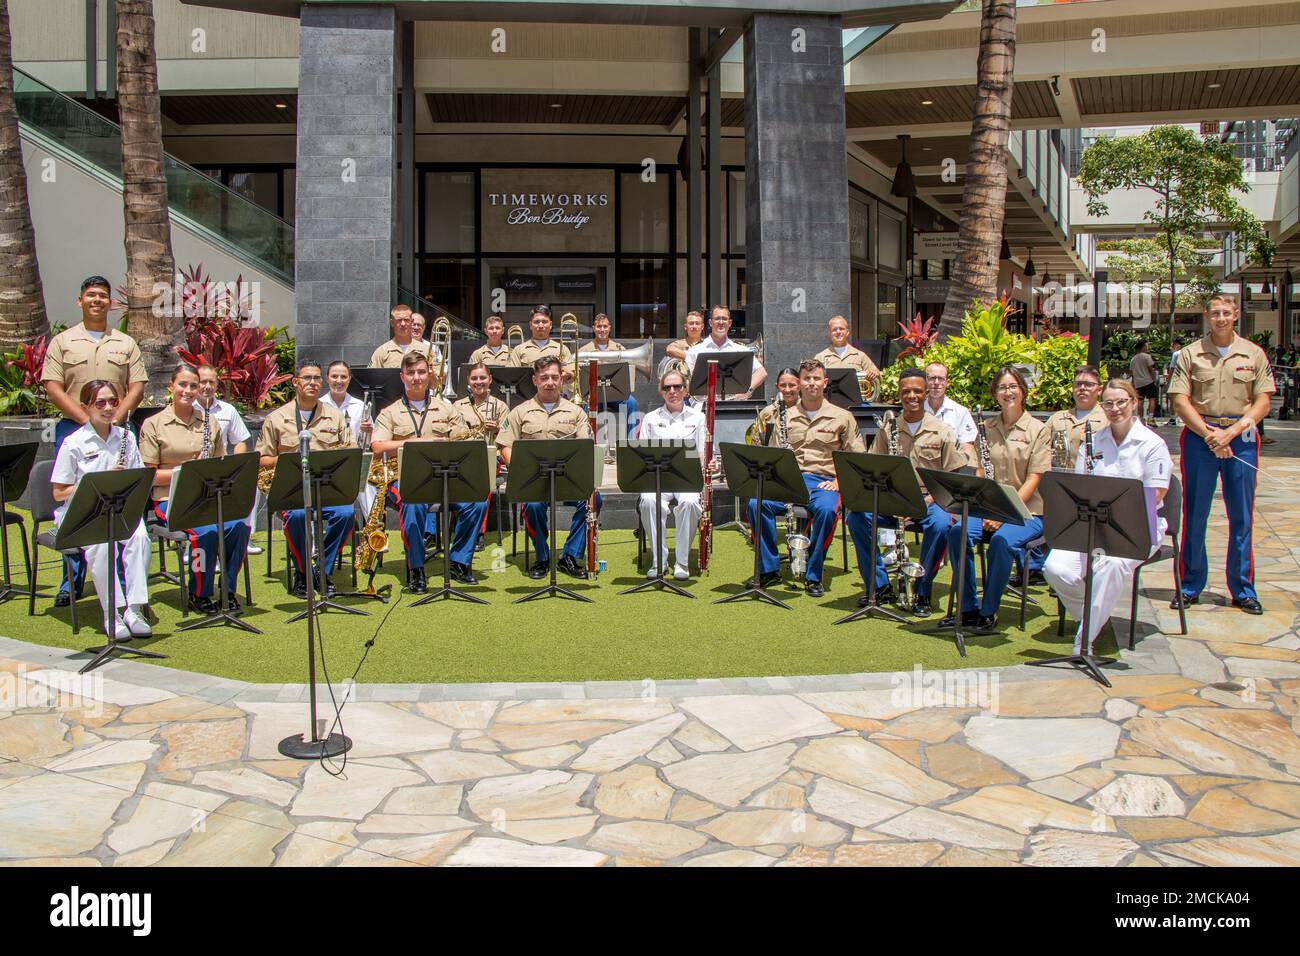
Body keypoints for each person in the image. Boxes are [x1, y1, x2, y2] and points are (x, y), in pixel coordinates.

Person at [41, 276, 149, 606]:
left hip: (115, 426)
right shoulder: (62, 342)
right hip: (74, 426)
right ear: (80, 301)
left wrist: (115, 416)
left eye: (103, 295)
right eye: (91, 295)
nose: (97, 300)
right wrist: (87, 416)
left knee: (118, 501)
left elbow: (136, 386)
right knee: (74, 504)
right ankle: (70, 582)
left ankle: (120, 583)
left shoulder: (125, 343)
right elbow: (52, 386)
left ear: (110, 303)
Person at [1044, 379, 1172, 654]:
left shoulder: (1153, 444)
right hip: (1093, 524)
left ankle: (1084, 642)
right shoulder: (1095, 440)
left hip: (1136, 527)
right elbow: (1080, 486)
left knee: (1111, 565)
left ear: (1134, 402)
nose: (1115, 409)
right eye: (1109, 403)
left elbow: (1157, 494)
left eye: (1121, 402)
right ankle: (1091, 620)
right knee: (1055, 568)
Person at [1167, 293, 1275, 615]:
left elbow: (1263, 401)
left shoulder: (1253, 354)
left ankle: (1242, 589)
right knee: (1196, 514)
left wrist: (1232, 432)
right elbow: (1180, 400)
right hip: (1201, 440)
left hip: (1239, 439)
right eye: (1215, 313)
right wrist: (1211, 435)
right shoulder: (1190, 355)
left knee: (1241, 517)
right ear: (1206, 316)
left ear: (1236, 314)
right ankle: (1190, 585)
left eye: (1226, 312)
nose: (1221, 318)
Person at [847, 369, 966, 616]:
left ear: (926, 393)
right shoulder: (888, 428)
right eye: (906, 392)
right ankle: (878, 585)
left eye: (917, 391)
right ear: (900, 394)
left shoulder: (942, 430)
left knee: (943, 524)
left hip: (929, 499)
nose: (912, 396)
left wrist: (928, 500)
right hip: (893, 498)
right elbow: (872, 466)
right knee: (857, 516)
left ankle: (922, 589)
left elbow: (952, 477)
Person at [942, 366, 1050, 631]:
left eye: (1013, 386)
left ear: (1023, 391)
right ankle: (968, 607)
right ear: (995, 394)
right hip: (988, 508)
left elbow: (1034, 478)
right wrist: (988, 509)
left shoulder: (1039, 429)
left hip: (1028, 511)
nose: (1008, 392)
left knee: (1002, 541)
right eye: (1002, 387)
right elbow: (980, 472)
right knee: (957, 534)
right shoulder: (987, 428)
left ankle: (988, 611)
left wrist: (1003, 514)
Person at [140, 365, 250, 614]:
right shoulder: (153, 424)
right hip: (170, 498)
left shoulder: (210, 422)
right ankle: (199, 593)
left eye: (194, 385)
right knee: (207, 531)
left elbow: (221, 464)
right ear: (171, 386)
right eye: (183, 384)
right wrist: (188, 470)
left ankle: (228, 589)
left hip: (208, 497)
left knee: (238, 527)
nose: (188, 390)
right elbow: (150, 476)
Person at [370, 352, 484, 592]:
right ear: (402, 377)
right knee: (412, 503)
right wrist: (416, 442)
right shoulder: (389, 412)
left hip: (445, 477)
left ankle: (459, 561)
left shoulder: (447, 409)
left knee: (478, 501)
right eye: (411, 373)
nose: (416, 378)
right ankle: (416, 568)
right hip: (405, 479)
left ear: (429, 374)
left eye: (421, 372)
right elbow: (378, 447)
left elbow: (463, 440)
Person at [748, 359, 862, 597]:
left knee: (827, 511)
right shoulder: (783, 416)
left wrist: (839, 482)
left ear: (825, 382)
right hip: (790, 479)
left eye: (816, 378)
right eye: (807, 379)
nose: (812, 383)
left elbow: (856, 458)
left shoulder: (843, 417)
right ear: (800, 383)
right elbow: (776, 455)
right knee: (756, 503)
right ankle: (769, 569)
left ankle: (814, 572)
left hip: (824, 481)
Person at [50, 380, 151, 641]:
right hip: (84, 514)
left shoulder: (126, 437)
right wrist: (96, 481)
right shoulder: (73, 443)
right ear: (86, 406)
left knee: (139, 537)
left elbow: (139, 478)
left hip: (118, 509)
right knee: (102, 546)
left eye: (113, 402)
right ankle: (112, 614)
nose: (108, 408)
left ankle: (134, 609)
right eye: (101, 403)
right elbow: (59, 492)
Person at [256, 360, 356, 598]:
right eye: (308, 378)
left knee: (346, 514)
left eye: (317, 378)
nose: (313, 383)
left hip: (328, 489)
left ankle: (322, 568)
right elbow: (262, 459)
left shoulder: (335, 416)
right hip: (292, 491)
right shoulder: (276, 418)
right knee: (299, 515)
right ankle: (303, 573)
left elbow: (350, 452)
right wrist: (290, 461)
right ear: (296, 382)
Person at [496, 356, 598, 580]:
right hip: (534, 481)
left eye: (554, 377)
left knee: (593, 499)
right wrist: (521, 470)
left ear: (562, 378)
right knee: (532, 506)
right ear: (535, 380)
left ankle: (570, 556)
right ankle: (542, 557)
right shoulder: (520, 412)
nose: (549, 382)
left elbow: (585, 447)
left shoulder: (576, 412)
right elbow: (505, 446)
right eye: (544, 378)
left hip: (567, 479)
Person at [636, 366, 706, 580]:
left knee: (690, 503)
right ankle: (659, 560)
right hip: (658, 478)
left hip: (687, 478)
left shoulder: (699, 418)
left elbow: (702, 454)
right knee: (648, 501)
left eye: (677, 386)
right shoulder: (650, 418)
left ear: (685, 390)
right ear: (661, 391)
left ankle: (682, 563)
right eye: (667, 387)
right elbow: (641, 453)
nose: (672, 391)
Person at [194, 362, 260, 554]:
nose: (207, 386)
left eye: (211, 382)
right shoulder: (187, 408)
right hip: (195, 471)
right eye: (202, 382)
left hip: (221, 470)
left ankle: (245, 539)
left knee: (251, 485)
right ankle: (194, 545)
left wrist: (236, 466)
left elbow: (241, 440)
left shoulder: (227, 410)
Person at [453, 362, 507, 552]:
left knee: (482, 480)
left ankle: (477, 532)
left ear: (490, 380)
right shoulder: (457, 405)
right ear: (468, 381)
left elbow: (508, 436)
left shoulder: (500, 406)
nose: (479, 382)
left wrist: (497, 429)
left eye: (482, 378)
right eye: (474, 378)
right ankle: (432, 534)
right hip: (463, 457)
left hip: (491, 455)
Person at [321, 360, 376, 519]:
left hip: (354, 464)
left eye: (343, 377)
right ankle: (311, 542)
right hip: (327, 465)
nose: (339, 381)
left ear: (350, 379)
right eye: (334, 376)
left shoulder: (359, 405)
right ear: (327, 378)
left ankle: (375, 537)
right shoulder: (318, 406)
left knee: (368, 488)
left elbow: (369, 440)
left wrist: (369, 430)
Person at [684, 305, 767, 399]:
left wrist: (748, 391)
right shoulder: (694, 351)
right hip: (702, 406)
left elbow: (761, 372)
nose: (721, 322)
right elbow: (686, 380)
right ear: (710, 322)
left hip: (733, 406)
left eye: (724, 319)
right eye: (717, 319)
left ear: (730, 323)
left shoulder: (741, 350)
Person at [578, 312, 639, 438]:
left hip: (616, 395)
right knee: (582, 406)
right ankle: (586, 442)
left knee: (632, 403)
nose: (602, 330)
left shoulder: (619, 349)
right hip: (592, 396)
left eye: (605, 326)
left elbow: (630, 374)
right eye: (599, 326)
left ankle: (631, 443)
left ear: (610, 328)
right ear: (594, 328)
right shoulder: (583, 350)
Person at [1043, 365, 1107, 468]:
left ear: (1099, 390)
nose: (1082, 388)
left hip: (1092, 480)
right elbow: (1039, 446)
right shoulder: (1057, 418)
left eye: (1088, 384)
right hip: (1058, 478)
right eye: (1078, 384)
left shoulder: (1107, 419)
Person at [923, 362, 978, 466]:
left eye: (941, 378)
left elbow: (967, 446)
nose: (936, 382)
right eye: (932, 378)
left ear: (947, 382)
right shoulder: (917, 411)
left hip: (951, 469)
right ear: (925, 381)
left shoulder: (961, 412)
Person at [510, 305, 574, 386]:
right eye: (536, 322)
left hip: (554, 395)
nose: (540, 325)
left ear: (550, 325)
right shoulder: (518, 350)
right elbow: (512, 377)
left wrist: (567, 375)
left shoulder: (562, 349)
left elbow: (572, 375)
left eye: (544, 322)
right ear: (530, 325)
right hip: (528, 396)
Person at [814, 315, 880, 383]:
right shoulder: (820, 357)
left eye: (841, 329)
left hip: (854, 393)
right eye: (834, 329)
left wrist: (873, 372)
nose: (838, 332)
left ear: (847, 332)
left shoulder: (860, 356)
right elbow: (813, 379)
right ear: (830, 333)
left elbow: (877, 374)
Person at [369, 304, 434, 369]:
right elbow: (370, 377)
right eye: (399, 320)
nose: (403, 324)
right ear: (392, 323)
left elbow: (439, 378)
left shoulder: (426, 350)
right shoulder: (382, 352)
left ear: (411, 321)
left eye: (406, 320)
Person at [750, 368, 801, 445]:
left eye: (792, 385)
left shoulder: (809, 410)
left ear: (800, 386)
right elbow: (754, 443)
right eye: (783, 385)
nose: (787, 390)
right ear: (777, 387)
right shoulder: (766, 413)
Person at [1129, 339, 1157, 421]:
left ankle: (1141, 418)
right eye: (1146, 345)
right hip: (1148, 381)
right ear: (1143, 347)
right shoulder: (1147, 357)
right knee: (1152, 398)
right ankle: (1150, 417)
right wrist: (1153, 379)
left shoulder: (1133, 359)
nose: (1147, 347)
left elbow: (1131, 373)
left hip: (1138, 382)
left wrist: (1133, 384)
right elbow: (1151, 369)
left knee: (1140, 400)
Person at [1165, 338, 1183, 427]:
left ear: (1177, 344)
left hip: (1176, 379)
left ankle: (1173, 419)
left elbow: (1172, 368)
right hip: (1186, 379)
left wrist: (1169, 381)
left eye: (1173, 345)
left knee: (1173, 399)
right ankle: (1181, 417)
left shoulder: (1176, 354)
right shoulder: (1187, 352)